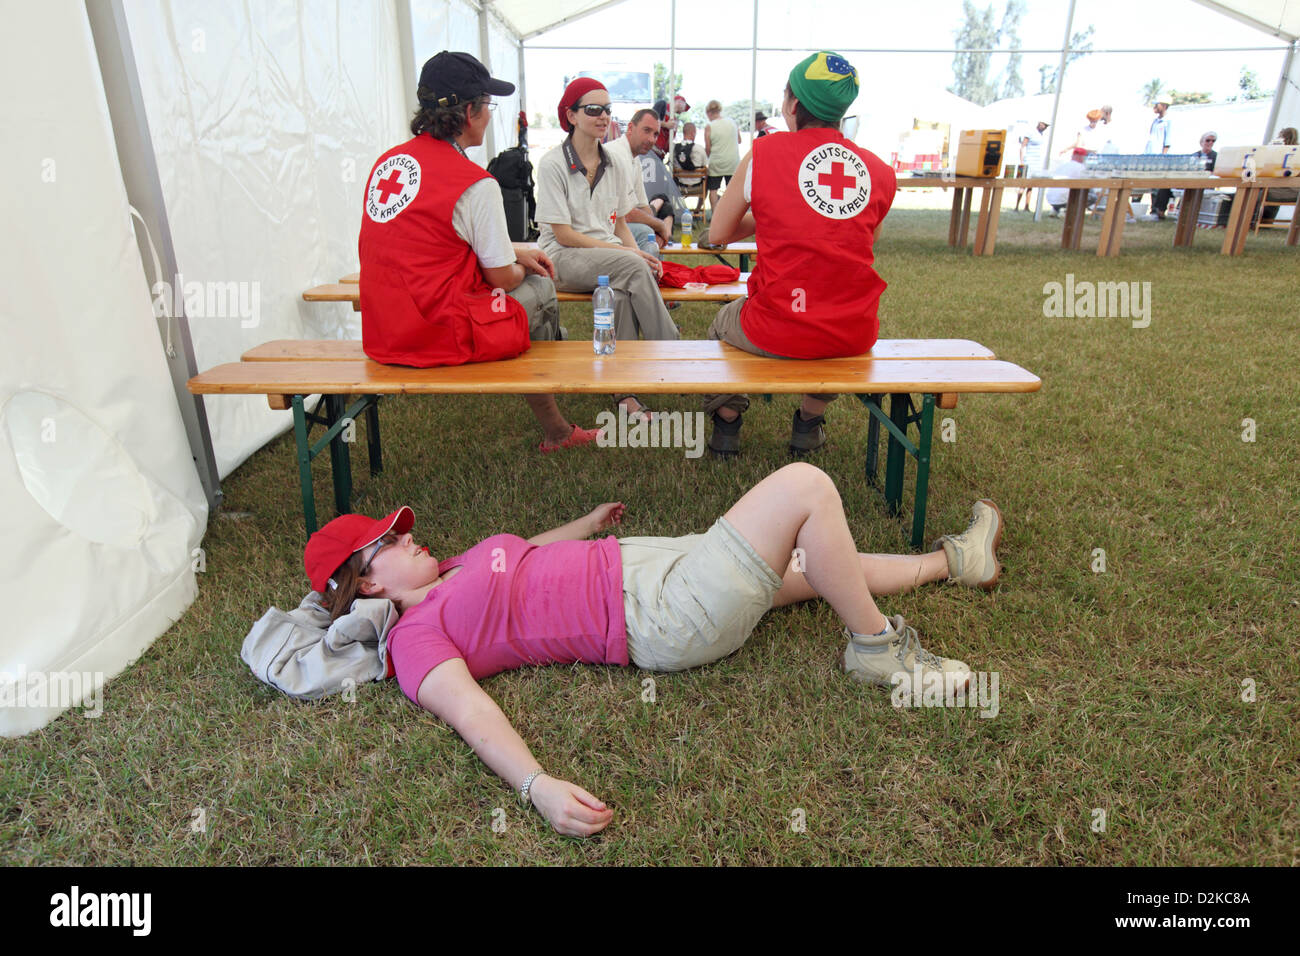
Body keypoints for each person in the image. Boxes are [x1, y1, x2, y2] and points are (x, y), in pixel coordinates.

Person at [303, 463, 1004, 836]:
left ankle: (954, 561)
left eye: (400, 530)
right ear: (366, 581)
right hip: (659, 614)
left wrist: (586, 523)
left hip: (646, 561)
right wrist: (536, 785)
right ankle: (878, 649)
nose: (407, 538)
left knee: (814, 561)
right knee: (804, 488)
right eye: (389, 543)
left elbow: (525, 555)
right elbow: (469, 712)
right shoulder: (418, 639)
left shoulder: (452, 569)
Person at [358, 51, 599, 455]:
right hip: (433, 334)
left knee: (526, 274)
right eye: (488, 104)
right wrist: (520, 264)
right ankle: (556, 428)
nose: (490, 114)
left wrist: (513, 251)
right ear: (469, 111)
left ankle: (548, 374)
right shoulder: (475, 182)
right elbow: (501, 280)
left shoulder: (388, 162)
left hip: (382, 330)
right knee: (539, 286)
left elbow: (433, 244)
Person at [702, 51, 896, 457]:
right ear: (842, 112)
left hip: (774, 327)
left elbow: (718, 233)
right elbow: (864, 238)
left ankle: (728, 423)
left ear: (792, 105)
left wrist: (764, 214)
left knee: (721, 323)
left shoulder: (765, 153)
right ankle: (808, 422)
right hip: (851, 332)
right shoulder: (879, 171)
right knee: (830, 327)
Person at [535, 78, 680, 421]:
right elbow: (564, 235)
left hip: (606, 256)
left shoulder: (613, 161)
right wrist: (629, 256)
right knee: (630, 269)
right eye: (593, 109)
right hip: (561, 258)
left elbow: (619, 224)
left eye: (607, 109)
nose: (603, 116)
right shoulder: (553, 163)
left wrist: (633, 251)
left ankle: (622, 391)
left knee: (622, 292)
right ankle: (674, 351)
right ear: (570, 115)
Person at [605, 108, 675, 256]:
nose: (651, 139)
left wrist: (658, 229)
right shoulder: (617, 155)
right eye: (646, 130)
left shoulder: (634, 158)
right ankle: (648, 276)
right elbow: (626, 214)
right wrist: (659, 226)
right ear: (630, 128)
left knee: (655, 226)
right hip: (602, 228)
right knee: (646, 233)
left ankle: (653, 276)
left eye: (655, 134)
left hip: (615, 224)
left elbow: (643, 207)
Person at [704, 99, 741, 215]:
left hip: (717, 162)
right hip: (733, 161)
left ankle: (715, 215)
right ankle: (732, 215)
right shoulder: (732, 122)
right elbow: (739, 140)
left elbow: (708, 148)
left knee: (713, 189)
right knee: (732, 190)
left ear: (709, 113)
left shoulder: (709, 126)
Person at [1142, 101, 1174, 220]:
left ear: (1164, 106)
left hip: (1159, 157)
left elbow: (1167, 142)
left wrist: (1162, 157)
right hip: (1149, 155)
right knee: (1149, 184)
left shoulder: (1168, 121)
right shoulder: (1155, 121)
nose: (1155, 107)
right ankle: (1151, 211)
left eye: (1157, 104)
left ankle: (1156, 211)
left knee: (1157, 186)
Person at [1044, 147, 1097, 216]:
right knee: (1092, 196)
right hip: (1065, 199)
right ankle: (1066, 210)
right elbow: (1087, 182)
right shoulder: (1081, 167)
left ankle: (1056, 209)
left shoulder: (1063, 165)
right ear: (1082, 157)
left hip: (1050, 198)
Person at [1015, 120, 1049, 211]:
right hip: (1028, 161)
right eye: (1044, 125)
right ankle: (1016, 206)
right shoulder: (1030, 132)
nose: (1045, 127)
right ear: (1039, 123)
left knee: (1031, 185)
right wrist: (1022, 161)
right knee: (1022, 184)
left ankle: (1026, 206)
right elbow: (1022, 147)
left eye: (1046, 126)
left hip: (1036, 162)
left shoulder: (1042, 135)